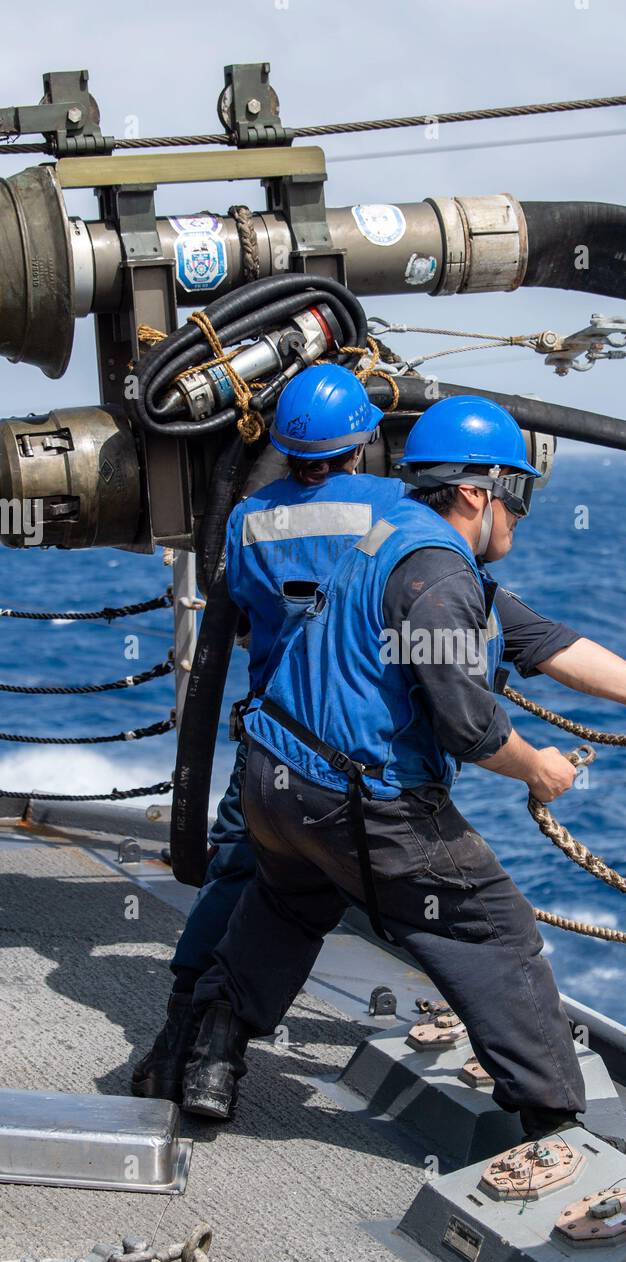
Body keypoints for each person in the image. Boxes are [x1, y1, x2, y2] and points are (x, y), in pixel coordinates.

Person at [183, 396, 626, 1131]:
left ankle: (210, 1056)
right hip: (358, 801)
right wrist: (539, 768)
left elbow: (544, 642)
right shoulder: (438, 577)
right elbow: (466, 725)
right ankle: (553, 1121)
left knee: (289, 904)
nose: (520, 515)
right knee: (493, 932)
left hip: (276, 784)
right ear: (480, 492)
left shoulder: (394, 537)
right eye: (518, 495)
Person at [130, 363, 405, 1102]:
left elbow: (249, 614)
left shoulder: (249, 520)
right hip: (353, 748)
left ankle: (173, 1045)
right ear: (365, 439)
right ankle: (222, 1057)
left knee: (233, 874)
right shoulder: (395, 506)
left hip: (269, 740)